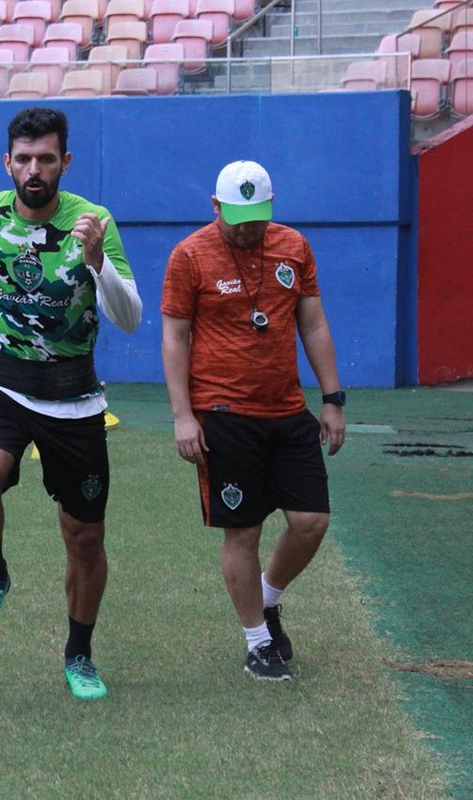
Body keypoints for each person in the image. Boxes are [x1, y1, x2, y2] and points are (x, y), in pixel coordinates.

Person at [0, 108, 143, 700]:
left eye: (46, 159)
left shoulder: (93, 223)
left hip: (73, 390)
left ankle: (79, 653)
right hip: (3, 374)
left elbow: (129, 319)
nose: (34, 170)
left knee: (84, 538)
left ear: (64, 163)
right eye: (23, 159)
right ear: (8, 163)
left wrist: (98, 262)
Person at [160, 160, 346, 682]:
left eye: (258, 217)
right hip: (222, 415)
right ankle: (258, 644)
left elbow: (313, 323)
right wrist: (182, 416)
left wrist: (332, 399)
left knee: (311, 522)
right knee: (242, 531)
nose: (248, 229)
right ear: (215, 207)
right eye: (237, 217)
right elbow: (174, 337)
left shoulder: (293, 246)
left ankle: (265, 600)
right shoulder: (189, 256)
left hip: (287, 410)